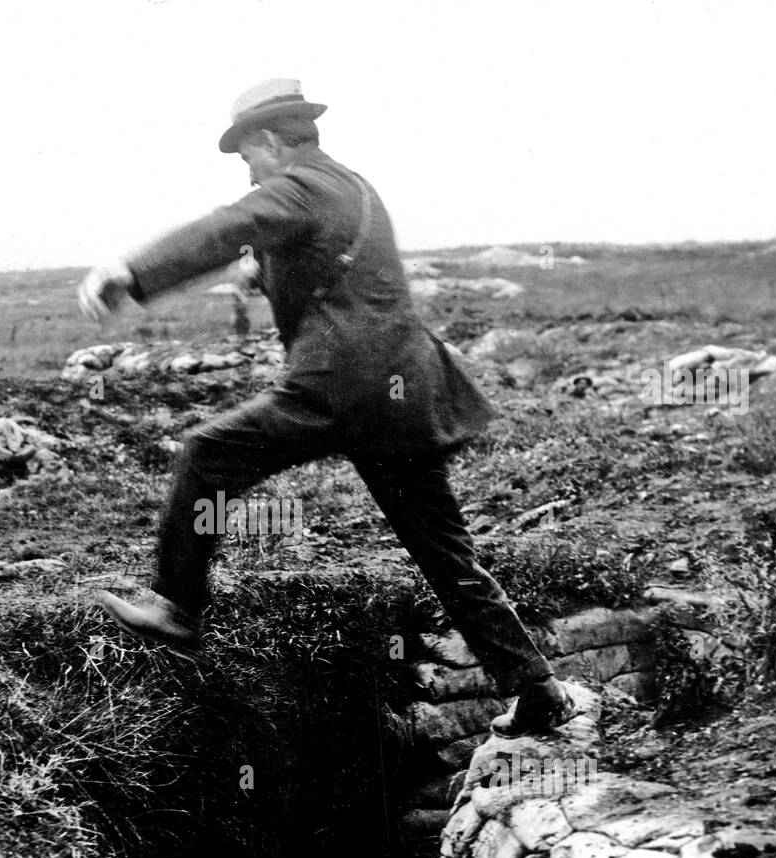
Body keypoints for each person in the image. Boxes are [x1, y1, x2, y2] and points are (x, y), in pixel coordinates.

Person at [77, 78, 576, 736]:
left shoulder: (296, 187)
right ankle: (535, 686)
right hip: (404, 392)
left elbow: (230, 225)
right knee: (443, 551)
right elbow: (317, 254)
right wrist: (270, 271)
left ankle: (177, 605)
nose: (247, 171)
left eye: (246, 156)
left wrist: (132, 271)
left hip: (345, 384)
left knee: (208, 455)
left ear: (270, 141)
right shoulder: (351, 186)